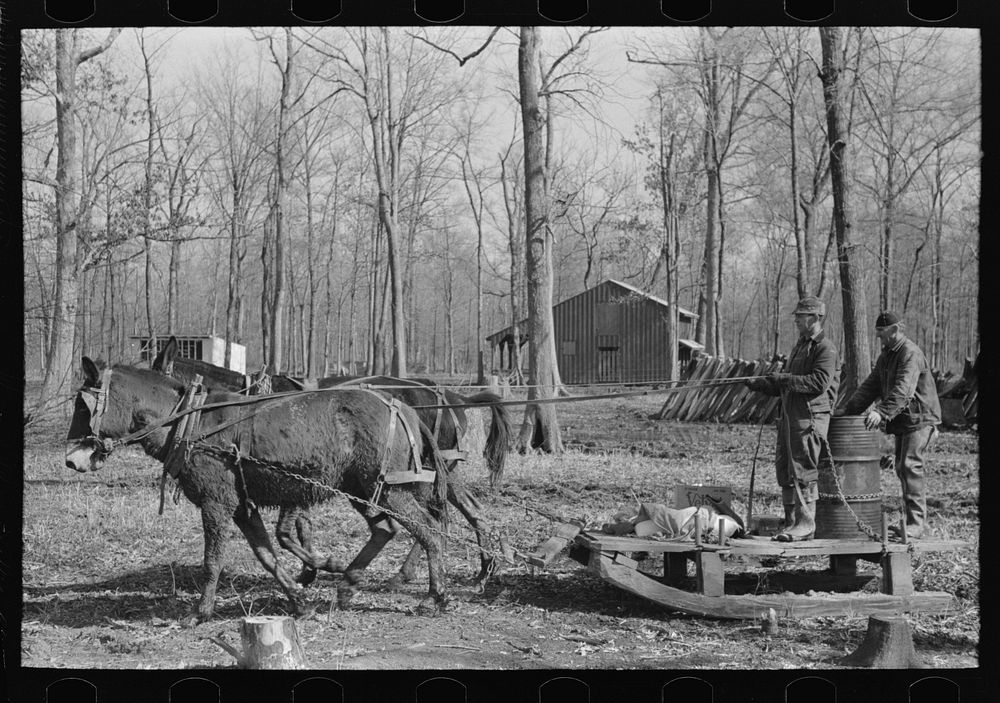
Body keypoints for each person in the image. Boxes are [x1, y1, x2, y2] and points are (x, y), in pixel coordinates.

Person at [838, 312, 940, 539]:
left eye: (881, 332)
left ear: (895, 330)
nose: (878, 336)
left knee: (909, 466)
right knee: (903, 468)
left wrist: (880, 412)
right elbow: (870, 386)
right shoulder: (887, 355)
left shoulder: (910, 353)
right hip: (906, 420)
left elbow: (904, 391)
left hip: (920, 420)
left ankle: (917, 524)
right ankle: (914, 523)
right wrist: (847, 410)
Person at [745, 296, 839, 542]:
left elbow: (818, 382)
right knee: (785, 470)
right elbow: (787, 385)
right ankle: (790, 523)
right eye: (797, 315)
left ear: (816, 318)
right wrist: (761, 384)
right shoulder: (799, 347)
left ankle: (806, 524)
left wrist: (783, 379)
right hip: (790, 417)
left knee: (803, 470)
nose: (796, 319)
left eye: (801, 315)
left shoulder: (825, 348)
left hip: (809, 419)